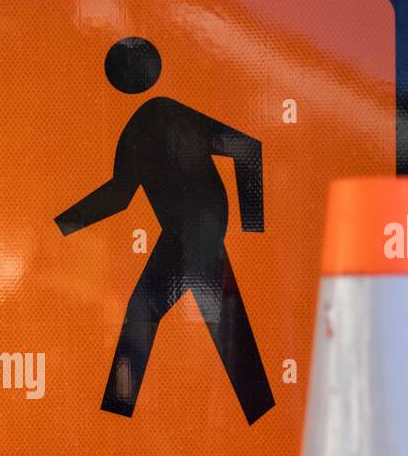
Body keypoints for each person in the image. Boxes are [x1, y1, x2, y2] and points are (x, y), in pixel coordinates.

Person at [55, 37, 275, 424]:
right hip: (188, 232)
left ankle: (116, 413)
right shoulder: (141, 126)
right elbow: (121, 195)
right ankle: (257, 412)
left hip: (195, 232)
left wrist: (252, 227)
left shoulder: (158, 115)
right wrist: (66, 223)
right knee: (208, 317)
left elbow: (246, 148)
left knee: (153, 311)